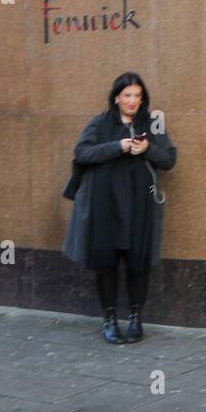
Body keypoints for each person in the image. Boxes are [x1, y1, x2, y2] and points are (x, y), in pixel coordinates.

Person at [62, 72, 177, 345]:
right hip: (106, 205)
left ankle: (136, 318)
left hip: (141, 206)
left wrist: (147, 149)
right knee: (107, 264)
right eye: (127, 95)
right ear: (116, 97)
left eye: (137, 96)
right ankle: (110, 320)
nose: (132, 101)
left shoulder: (152, 123)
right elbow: (82, 152)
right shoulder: (100, 123)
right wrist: (118, 146)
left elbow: (170, 159)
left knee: (139, 263)